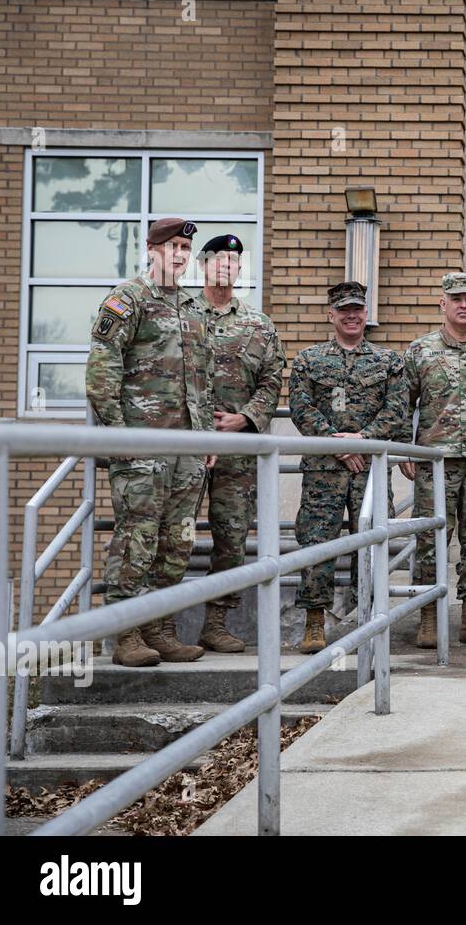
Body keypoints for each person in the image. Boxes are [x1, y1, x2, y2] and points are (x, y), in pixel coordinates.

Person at [86, 217, 214, 667]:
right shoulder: (128, 299)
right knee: (137, 535)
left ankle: (161, 628)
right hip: (142, 443)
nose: (179, 254)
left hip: (187, 449)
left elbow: (202, 378)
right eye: (172, 245)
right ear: (152, 248)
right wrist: (119, 432)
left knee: (178, 539)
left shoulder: (194, 308)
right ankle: (127, 632)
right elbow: (103, 368)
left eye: (185, 247)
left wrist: (206, 437)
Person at [289, 281, 408, 654]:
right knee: (317, 542)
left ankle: (367, 618)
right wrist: (338, 445)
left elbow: (397, 409)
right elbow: (301, 408)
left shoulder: (389, 361)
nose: (352, 315)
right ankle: (314, 622)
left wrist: (364, 439)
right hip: (324, 470)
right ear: (331, 315)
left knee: (371, 542)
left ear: (366, 314)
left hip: (369, 468)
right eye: (344, 310)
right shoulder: (309, 360)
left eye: (357, 309)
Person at [194, 233, 286, 653]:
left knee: (231, 537)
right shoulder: (181, 316)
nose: (225, 267)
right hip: (184, 448)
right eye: (218, 260)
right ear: (203, 265)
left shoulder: (258, 325)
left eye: (233, 261)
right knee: (170, 536)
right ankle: (151, 626)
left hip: (236, 450)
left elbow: (271, 381)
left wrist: (245, 418)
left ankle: (216, 623)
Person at [401, 273, 466, 649]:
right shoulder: (420, 350)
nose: (463, 304)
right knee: (430, 541)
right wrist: (402, 449)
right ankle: (428, 617)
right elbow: (402, 403)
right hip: (435, 464)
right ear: (442, 303)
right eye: (455, 298)